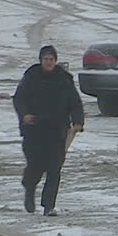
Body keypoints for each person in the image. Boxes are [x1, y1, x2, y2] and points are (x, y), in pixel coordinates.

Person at [13, 45, 84, 217]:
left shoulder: (64, 79)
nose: (48, 62)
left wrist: (78, 121)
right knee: (35, 166)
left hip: (57, 129)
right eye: (46, 59)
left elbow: (75, 102)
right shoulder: (31, 77)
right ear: (41, 60)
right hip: (34, 130)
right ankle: (29, 189)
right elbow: (19, 99)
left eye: (51, 59)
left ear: (55, 61)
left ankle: (48, 206)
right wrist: (24, 115)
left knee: (54, 168)